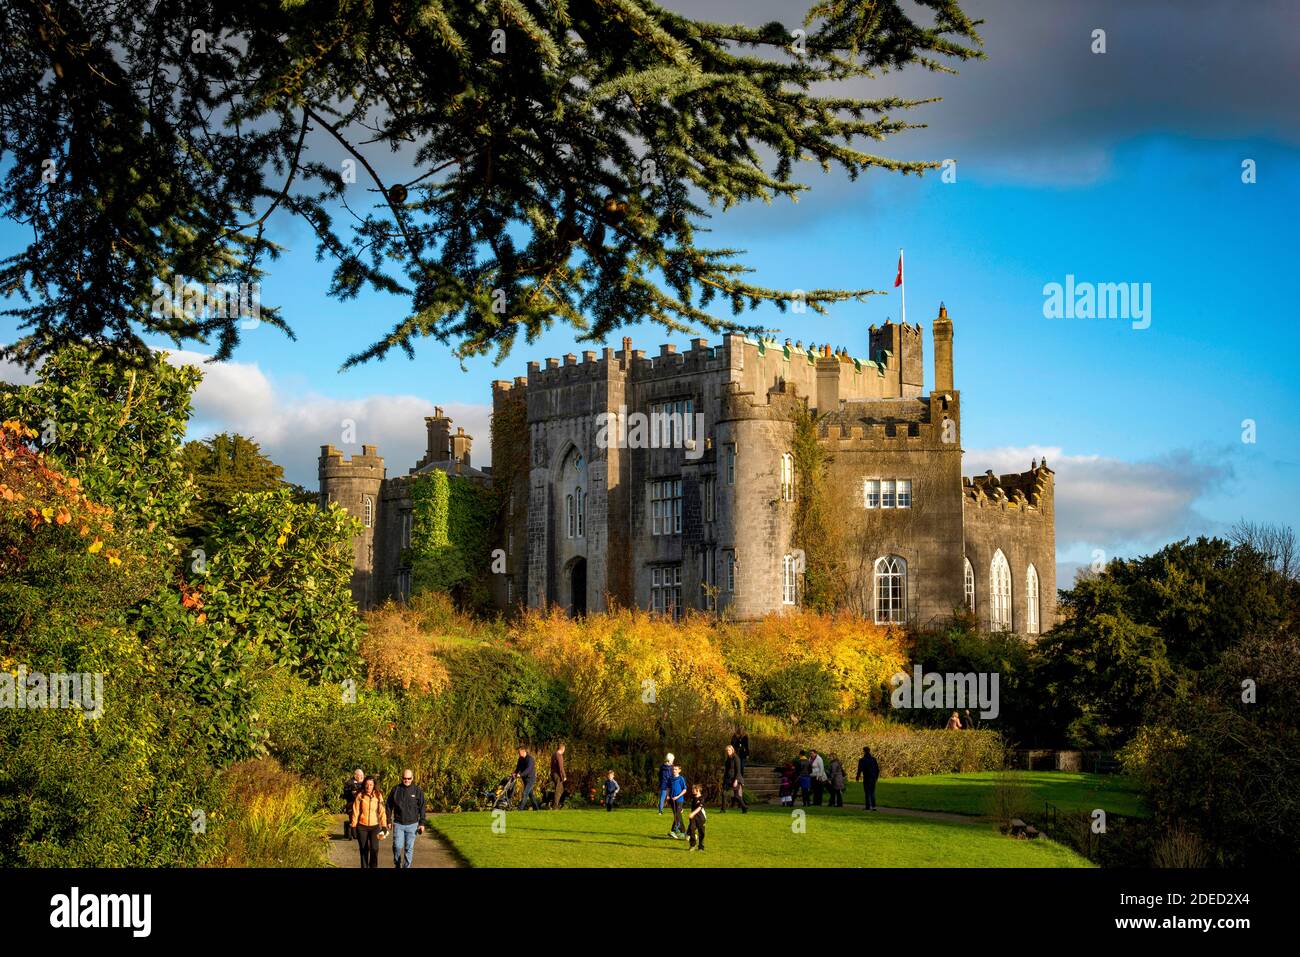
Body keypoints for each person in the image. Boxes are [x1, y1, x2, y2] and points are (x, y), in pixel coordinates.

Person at [386, 768, 425, 868]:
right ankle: (397, 864)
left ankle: (406, 866)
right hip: (399, 824)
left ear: (412, 778)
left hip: (412, 825)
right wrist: (388, 820)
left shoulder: (417, 791)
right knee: (397, 847)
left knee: (409, 848)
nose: (406, 780)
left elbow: (422, 808)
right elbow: (389, 806)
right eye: (404, 778)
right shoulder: (395, 790)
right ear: (401, 778)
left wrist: (422, 823)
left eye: (409, 778)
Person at [349, 775, 388, 868]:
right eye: (367, 784)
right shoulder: (360, 795)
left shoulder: (378, 795)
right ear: (364, 785)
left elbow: (382, 811)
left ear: (374, 785)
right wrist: (353, 826)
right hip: (362, 827)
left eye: (371, 785)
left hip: (374, 827)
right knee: (364, 849)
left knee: (374, 849)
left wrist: (384, 826)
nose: (368, 787)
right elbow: (355, 811)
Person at [720, 744, 746, 813]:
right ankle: (723, 809)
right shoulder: (728, 759)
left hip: (735, 779)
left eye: (729, 750)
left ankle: (744, 807)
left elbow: (738, 771)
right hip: (727, 779)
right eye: (727, 751)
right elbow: (727, 770)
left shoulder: (736, 758)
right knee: (723, 793)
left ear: (732, 750)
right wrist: (724, 780)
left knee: (736, 796)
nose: (728, 752)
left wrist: (736, 781)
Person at [515, 746, 541, 810]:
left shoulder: (530, 759)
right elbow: (518, 768)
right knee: (531, 794)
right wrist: (514, 773)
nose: (518, 753)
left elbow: (528, 769)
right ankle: (536, 808)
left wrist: (520, 775)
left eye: (519, 752)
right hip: (524, 779)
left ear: (523, 751)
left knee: (525, 793)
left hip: (531, 779)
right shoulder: (520, 759)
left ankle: (520, 808)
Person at [341, 768, 364, 840]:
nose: (361, 777)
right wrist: (352, 792)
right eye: (360, 775)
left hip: (362, 804)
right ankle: (353, 832)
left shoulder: (365, 783)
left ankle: (360, 832)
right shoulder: (349, 783)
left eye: (362, 775)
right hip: (351, 803)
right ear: (355, 775)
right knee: (353, 815)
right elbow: (345, 793)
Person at [856, 746, 880, 811]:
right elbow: (877, 769)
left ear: (864, 751)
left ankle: (868, 806)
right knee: (872, 792)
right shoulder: (873, 759)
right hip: (873, 778)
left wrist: (857, 777)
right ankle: (874, 806)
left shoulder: (862, 760)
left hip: (866, 778)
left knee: (867, 792)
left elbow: (859, 769)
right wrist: (876, 777)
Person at [668, 765, 688, 838]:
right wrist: (667, 795)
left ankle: (673, 831)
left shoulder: (681, 779)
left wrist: (678, 796)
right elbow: (668, 788)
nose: (674, 770)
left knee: (677, 815)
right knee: (678, 815)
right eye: (673, 769)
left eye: (676, 769)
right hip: (672, 800)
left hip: (679, 800)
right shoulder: (670, 778)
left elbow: (685, 789)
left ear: (679, 770)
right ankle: (684, 832)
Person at [686, 783, 707, 851]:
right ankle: (693, 845)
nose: (692, 790)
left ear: (697, 790)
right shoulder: (693, 798)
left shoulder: (702, 798)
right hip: (693, 818)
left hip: (701, 818)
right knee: (692, 829)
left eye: (693, 789)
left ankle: (701, 847)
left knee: (701, 833)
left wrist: (692, 813)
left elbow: (699, 808)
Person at [549, 743, 567, 810]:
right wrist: (564, 776)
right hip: (557, 774)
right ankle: (554, 806)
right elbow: (561, 767)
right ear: (563, 749)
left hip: (553, 773)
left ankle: (556, 804)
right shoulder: (559, 755)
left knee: (561, 789)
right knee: (558, 790)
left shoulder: (554, 754)